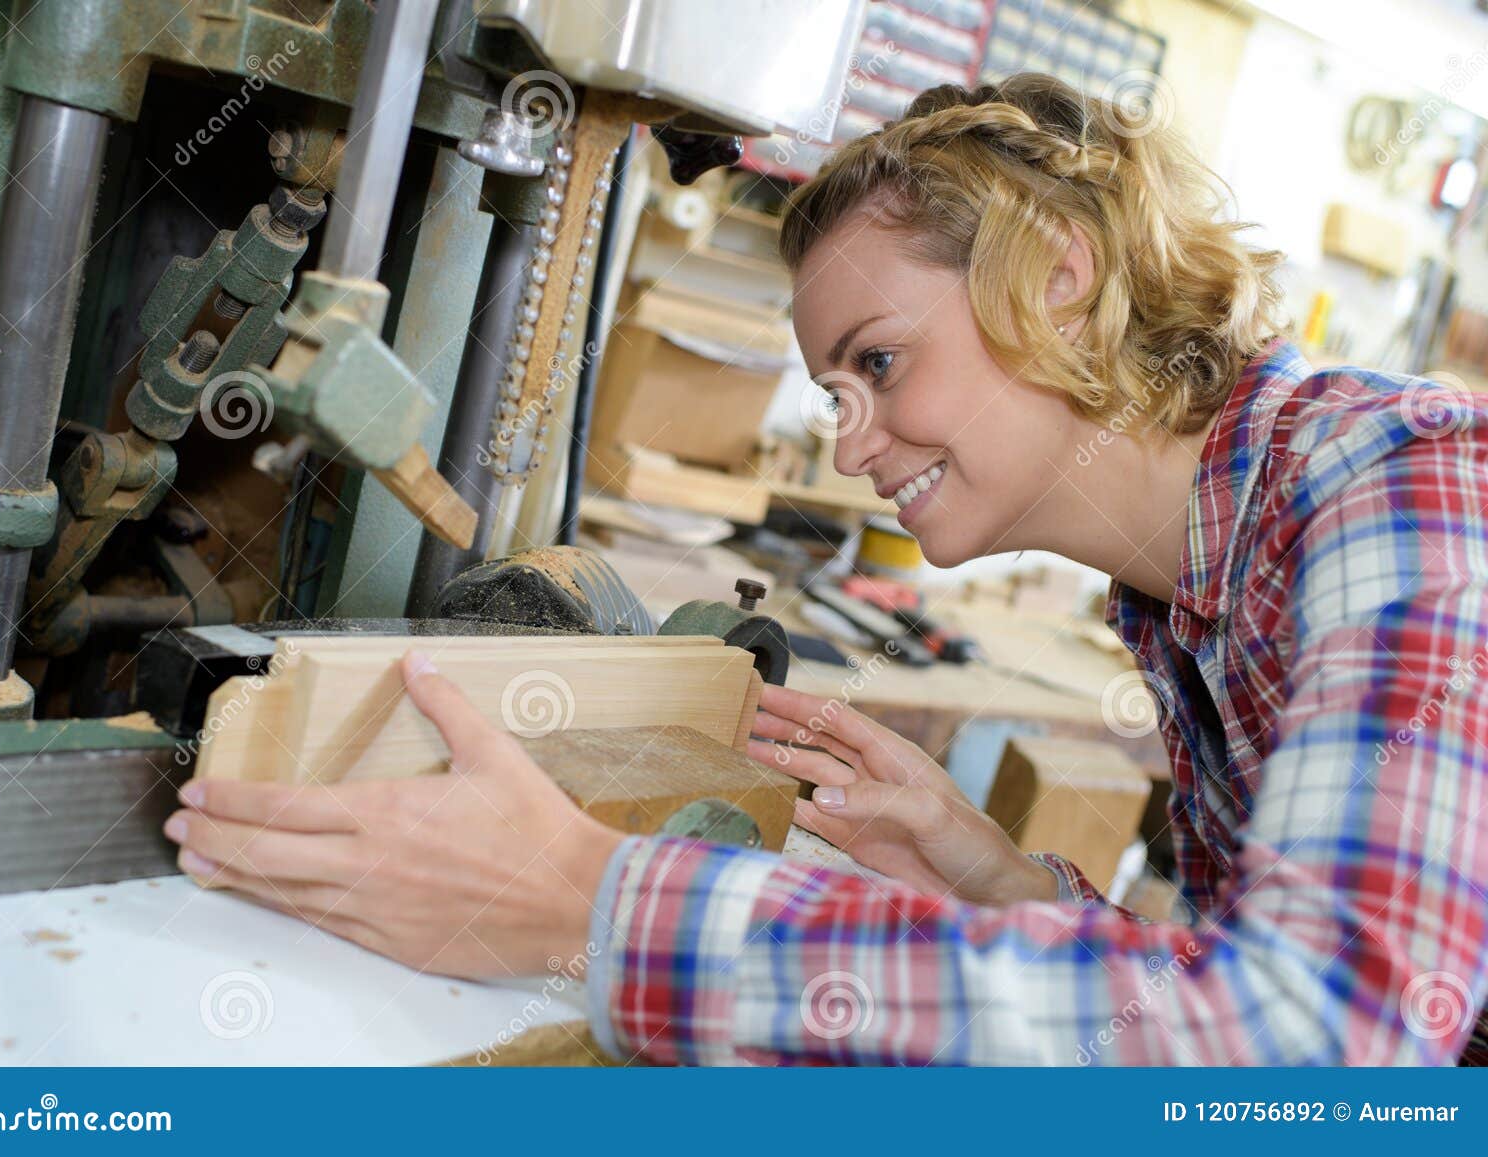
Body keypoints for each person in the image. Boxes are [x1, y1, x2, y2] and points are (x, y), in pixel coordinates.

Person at [163, 74, 1488, 1065]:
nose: (853, 440)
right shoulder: (1182, 606)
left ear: (1062, 278)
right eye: (831, 388)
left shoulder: (1402, 488)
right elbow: (1221, 989)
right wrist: (986, 872)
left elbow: (1323, 1049)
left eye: (881, 362)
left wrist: (593, 897)